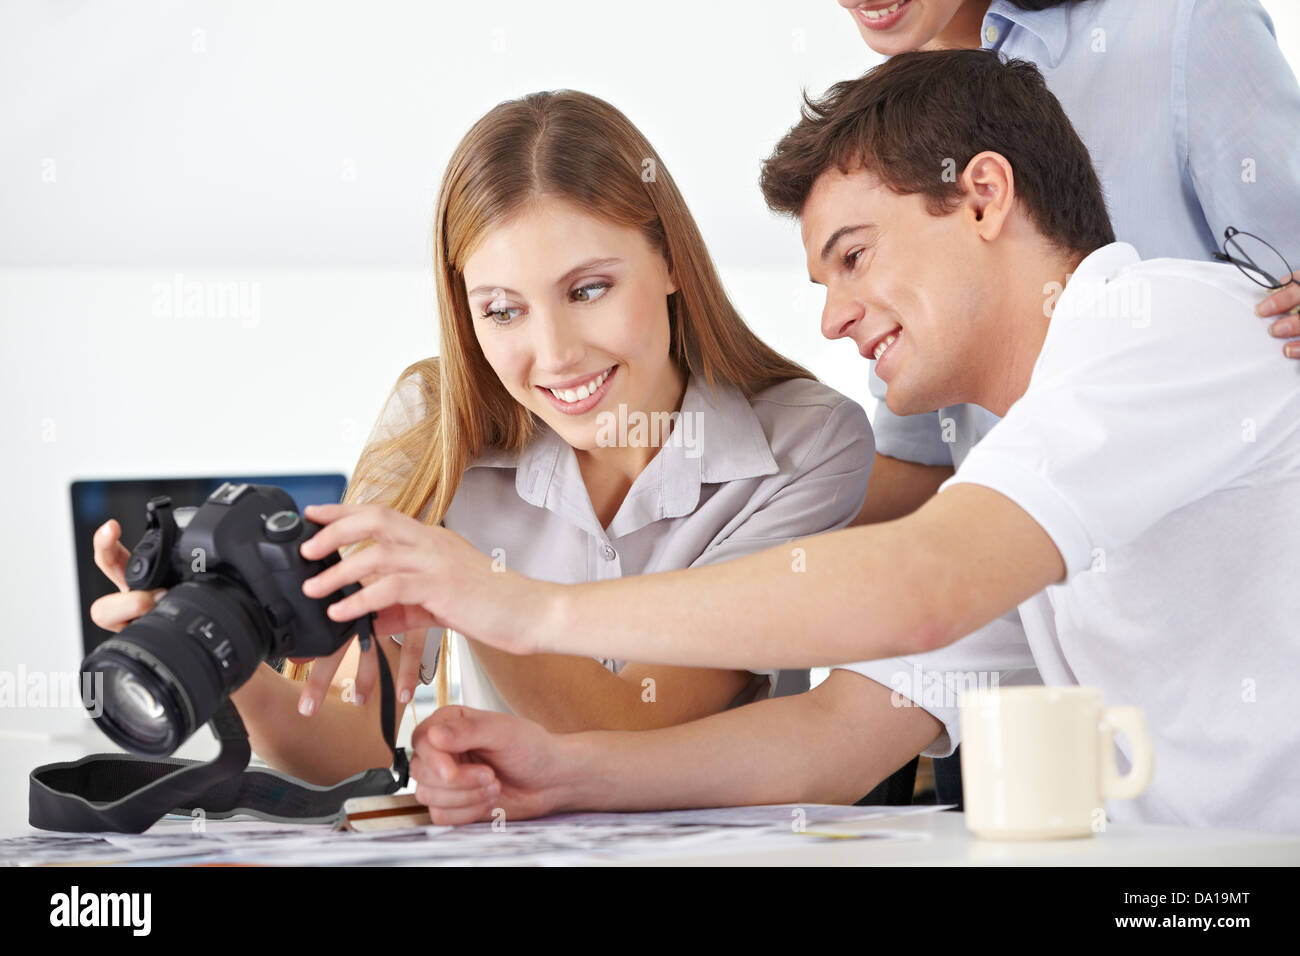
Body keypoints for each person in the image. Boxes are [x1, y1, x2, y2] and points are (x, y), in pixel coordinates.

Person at [302, 49, 1300, 832]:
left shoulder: (1162, 321)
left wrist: (521, 607)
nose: (831, 321)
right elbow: (828, 740)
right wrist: (557, 771)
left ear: (985, 196)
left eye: (853, 256)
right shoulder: (1017, 486)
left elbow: (920, 585)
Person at [89, 89, 874, 786]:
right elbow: (357, 744)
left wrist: (469, 590)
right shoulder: (434, 427)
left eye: (589, 289)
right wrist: (210, 644)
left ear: (669, 261)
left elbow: (644, 718)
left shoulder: (808, 445)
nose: (556, 352)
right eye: (503, 310)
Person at [840, 0, 1300, 806]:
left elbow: (1276, 317)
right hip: (1026, 661)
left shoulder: (1183, 29)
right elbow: (921, 462)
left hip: (1225, 672)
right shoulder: (885, 124)